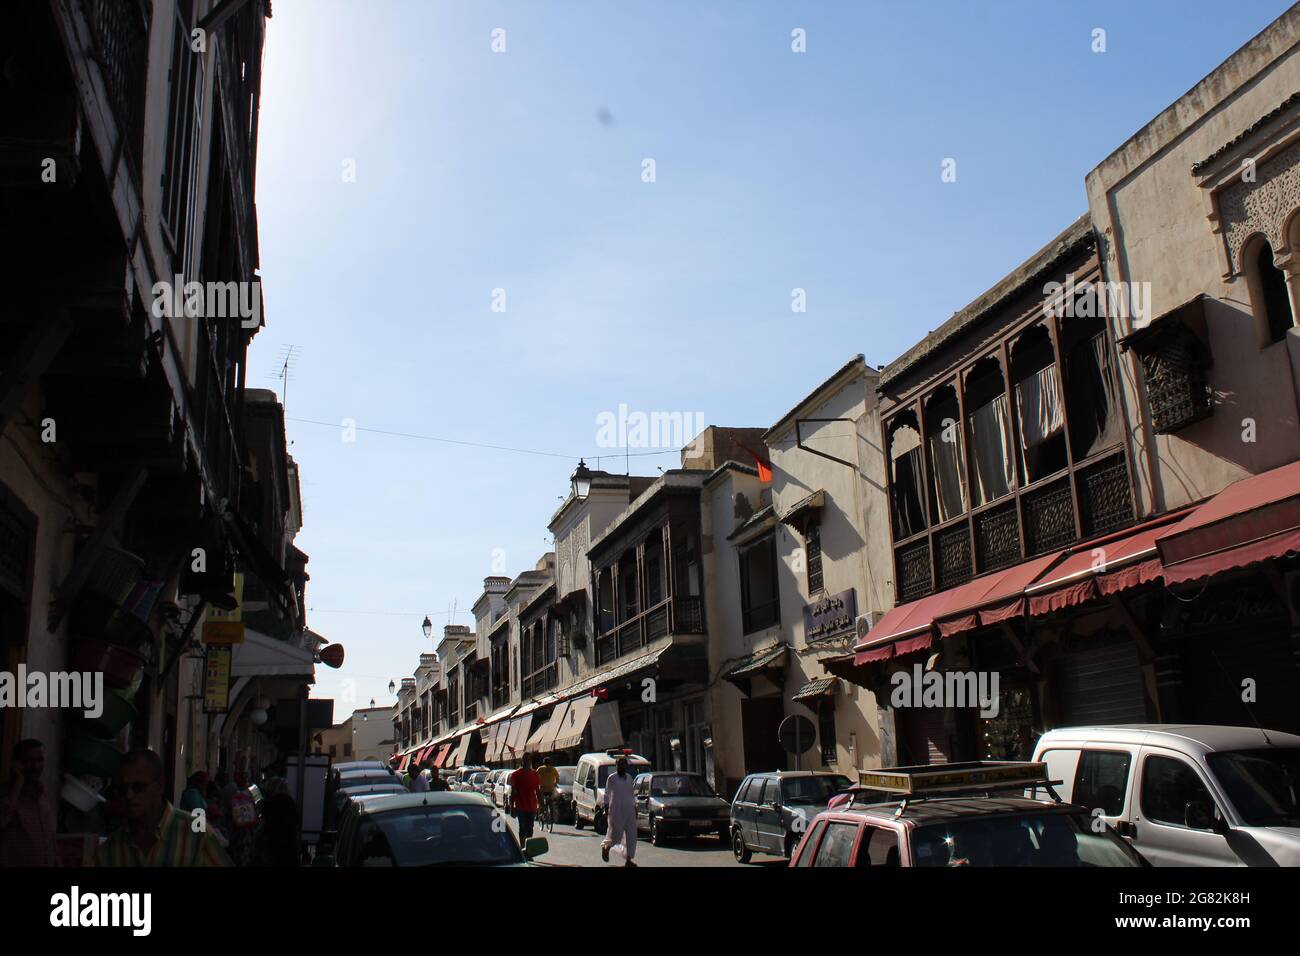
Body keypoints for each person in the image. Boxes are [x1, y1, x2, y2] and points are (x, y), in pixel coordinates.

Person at [95, 748, 231, 866]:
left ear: (160, 786)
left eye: (138, 787)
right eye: (123, 789)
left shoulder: (197, 834)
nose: (129, 795)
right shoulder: (112, 848)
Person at [0, 739, 59, 866]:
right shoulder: (7, 795)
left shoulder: (43, 793)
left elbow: (49, 838)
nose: (36, 766)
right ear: (17, 763)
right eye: (29, 760)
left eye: (40, 760)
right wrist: (18, 784)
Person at [601, 756, 637, 867]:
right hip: (616, 811)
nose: (622, 766)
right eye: (619, 764)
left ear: (626, 766)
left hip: (629, 809)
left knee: (631, 836)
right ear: (616, 766)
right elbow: (607, 794)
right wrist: (606, 808)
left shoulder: (630, 778)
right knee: (616, 835)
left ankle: (628, 860)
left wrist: (634, 808)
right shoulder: (611, 778)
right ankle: (606, 847)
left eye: (623, 764)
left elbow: (631, 794)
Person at [507, 755, 541, 842]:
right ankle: (523, 849)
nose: (527, 761)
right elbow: (512, 792)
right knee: (522, 828)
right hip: (521, 807)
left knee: (530, 829)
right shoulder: (516, 774)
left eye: (529, 759)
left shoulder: (535, 774)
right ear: (522, 761)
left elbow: (538, 791)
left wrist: (542, 805)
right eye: (526, 759)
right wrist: (511, 806)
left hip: (532, 807)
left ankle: (528, 848)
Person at [536, 757, 559, 829]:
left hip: (542, 789)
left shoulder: (540, 769)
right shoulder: (553, 769)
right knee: (551, 800)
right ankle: (551, 810)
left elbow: (535, 776)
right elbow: (557, 778)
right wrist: (554, 784)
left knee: (540, 801)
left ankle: (541, 812)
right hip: (551, 789)